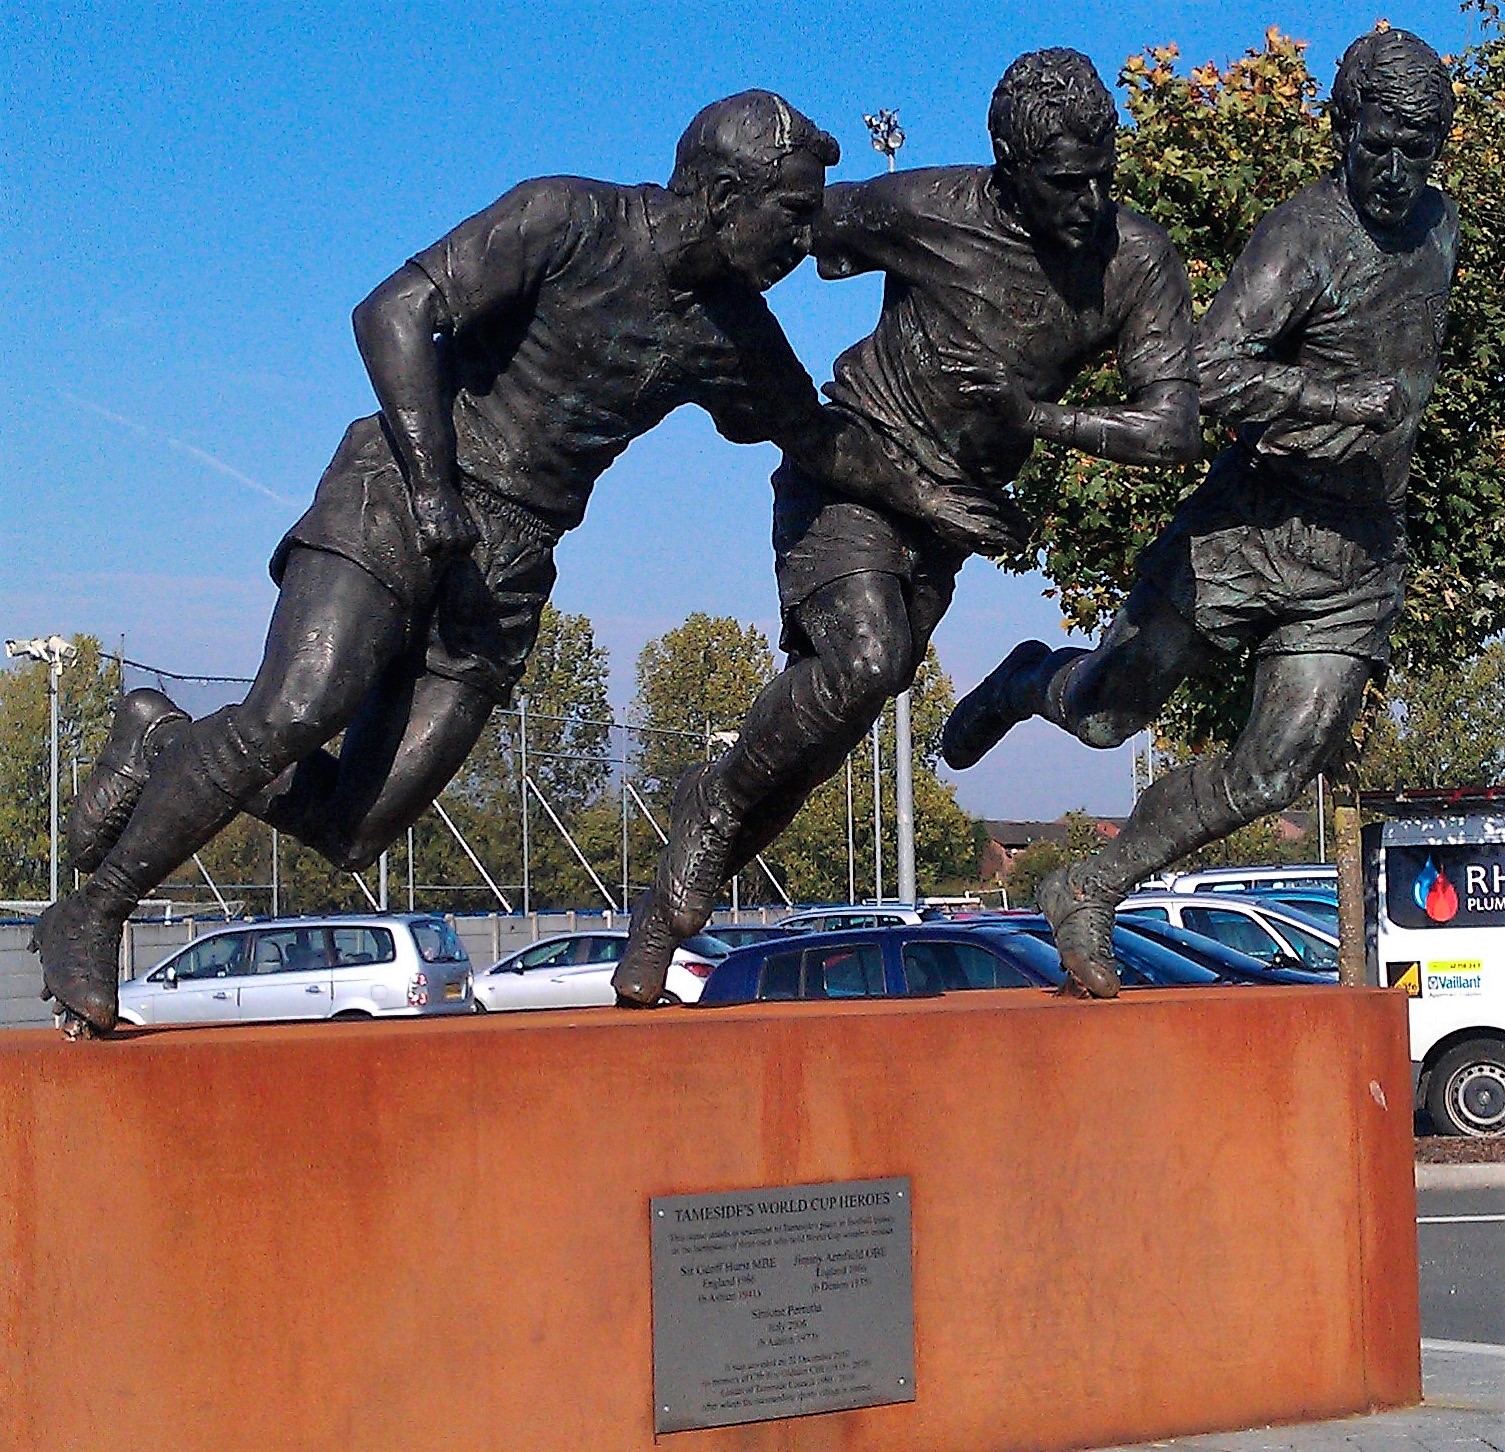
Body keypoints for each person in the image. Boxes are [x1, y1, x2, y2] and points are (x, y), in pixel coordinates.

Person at [40, 91, 845, 1035]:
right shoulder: (566, 215)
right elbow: (391, 310)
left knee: (356, 830)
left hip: (509, 570)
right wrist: (432, 483)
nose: (805, 240)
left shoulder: (737, 331)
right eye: (793, 212)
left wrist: (958, 468)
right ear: (724, 196)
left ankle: (161, 741)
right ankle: (92, 914)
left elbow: (820, 440)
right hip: (398, 494)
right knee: (295, 710)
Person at [613, 49, 1201, 1006]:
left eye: (1103, 175)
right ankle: (709, 810)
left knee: (815, 745)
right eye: (1064, 183)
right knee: (866, 661)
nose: (1089, 202)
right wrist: (691, 328)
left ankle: (668, 899)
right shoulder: (919, 206)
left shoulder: (1133, 260)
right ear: (1008, 168)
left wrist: (1036, 417)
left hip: (946, 520)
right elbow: (766, 232)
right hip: (849, 474)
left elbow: (1172, 428)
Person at [940, 28, 1459, 997]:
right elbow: (1206, 370)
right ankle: (1028, 680)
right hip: (1249, 527)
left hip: (1354, 557)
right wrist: (1336, 404)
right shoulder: (1302, 236)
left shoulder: (1441, 226)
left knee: (1273, 773)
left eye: (1415, 150)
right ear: (1341, 131)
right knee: (1105, 720)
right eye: (1376, 146)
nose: (1394, 172)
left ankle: (1088, 888)